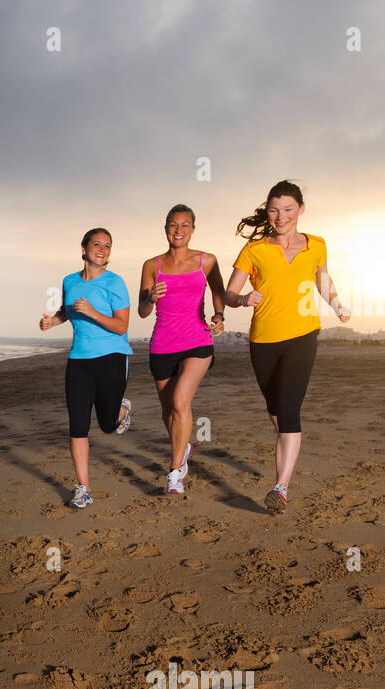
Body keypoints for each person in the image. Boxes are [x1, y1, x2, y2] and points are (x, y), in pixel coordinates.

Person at [224, 180, 351, 512]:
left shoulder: (317, 245)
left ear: (301, 210)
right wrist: (242, 299)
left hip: (303, 335)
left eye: (288, 210)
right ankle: (286, 447)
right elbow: (228, 294)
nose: (281, 217)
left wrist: (338, 305)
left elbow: (323, 279)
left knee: (290, 412)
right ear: (268, 212)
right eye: (274, 210)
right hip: (264, 340)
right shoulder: (254, 250)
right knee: (277, 412)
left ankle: (280, 488)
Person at [39, 227, 133, 508]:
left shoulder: (115, 283)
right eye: (96, 244)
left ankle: (121, 409)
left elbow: (122, 326)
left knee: (107, 425)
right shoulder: (69, 280)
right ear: (84, 249)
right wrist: (52, 322)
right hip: (78, 361)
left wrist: (93, 311)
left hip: (112, 357)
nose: (102, 249)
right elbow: (69, 310)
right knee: (78, 426)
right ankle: (83, 489)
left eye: (107, 245)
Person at [137, 204, 226, 494]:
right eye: (173, 225)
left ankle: (175, 472)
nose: (178, 230)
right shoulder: (152, 265)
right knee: (168, 412)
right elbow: (142, 311)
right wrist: (150, 297)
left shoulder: (207, 261)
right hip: (163, 344)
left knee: (179, 401)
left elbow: (218, 292)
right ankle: (183, 446)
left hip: (198, 341)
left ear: (193, 229)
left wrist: (219, 316)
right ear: (165, 229)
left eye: (184, 225)